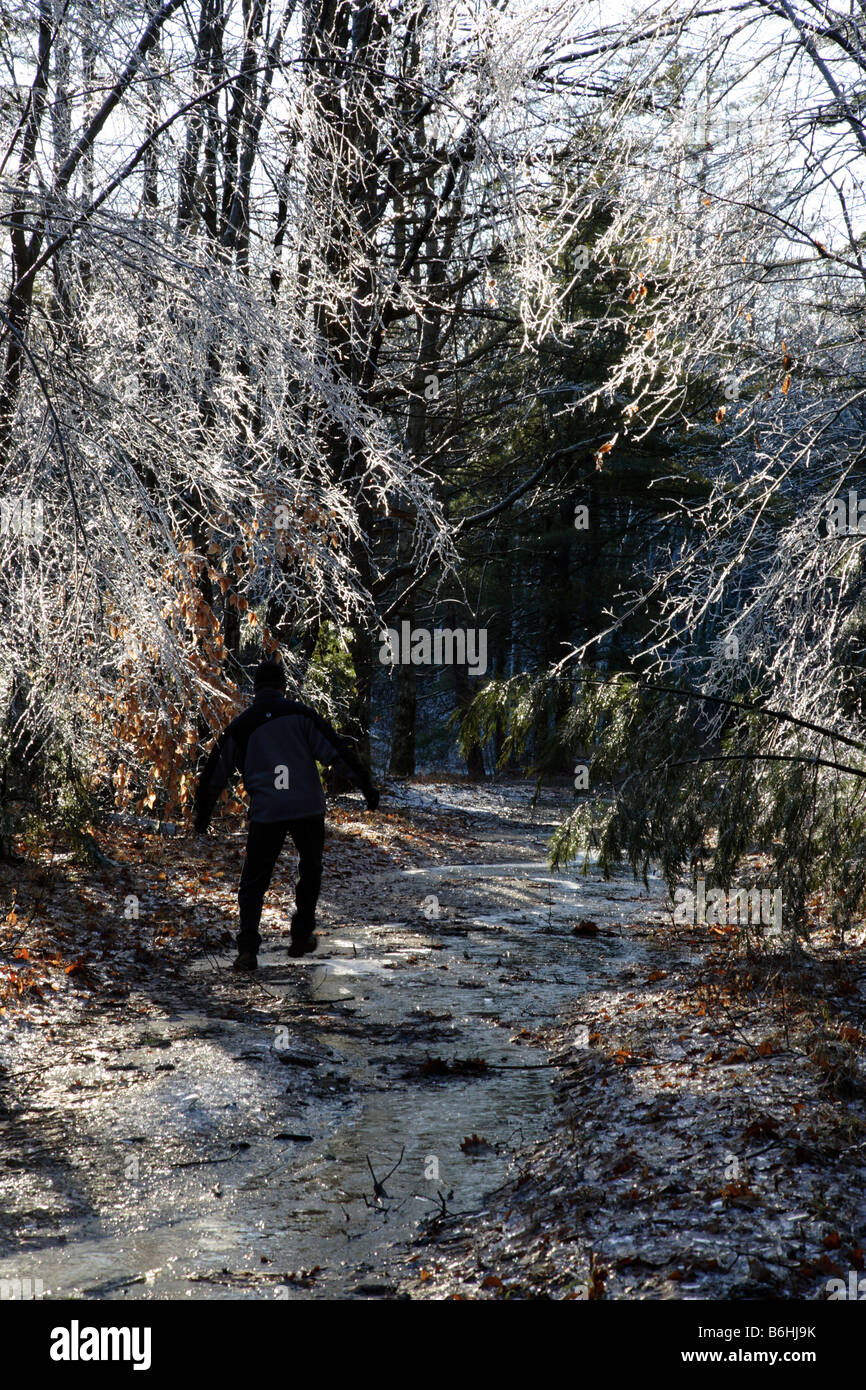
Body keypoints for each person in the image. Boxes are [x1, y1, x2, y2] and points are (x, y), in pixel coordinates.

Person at [193, 657, 380, 971]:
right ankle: (301, 933)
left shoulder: (242, 726)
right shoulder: (301, 715)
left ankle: (248, 950)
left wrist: (202, 814)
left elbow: (215, 772)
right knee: (310, 869)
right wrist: (365, 786)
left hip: (268, 811)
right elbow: (335, 752)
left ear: (256, 690)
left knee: (254, 881)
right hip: (307, 807)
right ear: (283, 687)